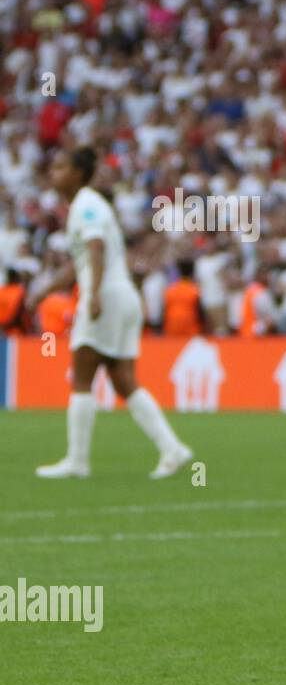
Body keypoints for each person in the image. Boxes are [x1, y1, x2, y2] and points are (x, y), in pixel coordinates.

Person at [28, 147, 192, 478]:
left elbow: (95, 248)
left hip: (107, 295)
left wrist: (94, 293)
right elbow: (82, 263)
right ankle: (172, 449)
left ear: (78, 173)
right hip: (121, 295)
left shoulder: (85, 204)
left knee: (82, 373)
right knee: (123, 380)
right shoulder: (88, 204)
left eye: (60, 166)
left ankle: (77, 460)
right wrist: (44, 291)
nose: (53, 173)